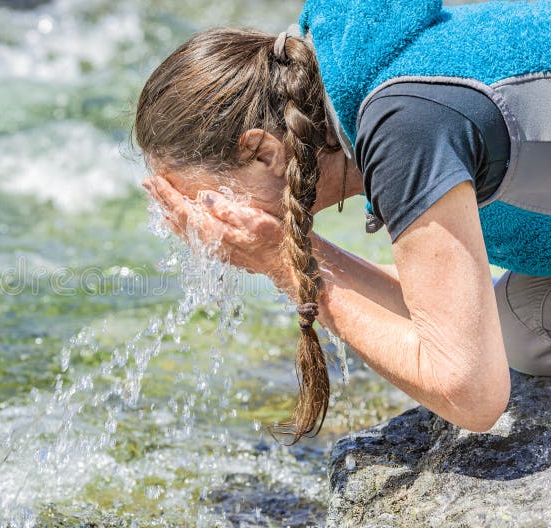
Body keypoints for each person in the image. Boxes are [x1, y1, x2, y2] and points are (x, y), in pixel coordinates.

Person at [134, 0, 551, 443]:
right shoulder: (360, 81)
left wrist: (284, 265)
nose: (209, 221)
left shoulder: (403, 126)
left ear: (263, 153)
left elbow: (471, 392)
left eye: (208, 200)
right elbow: (448, 313)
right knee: (517, 329)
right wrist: (295, 252)